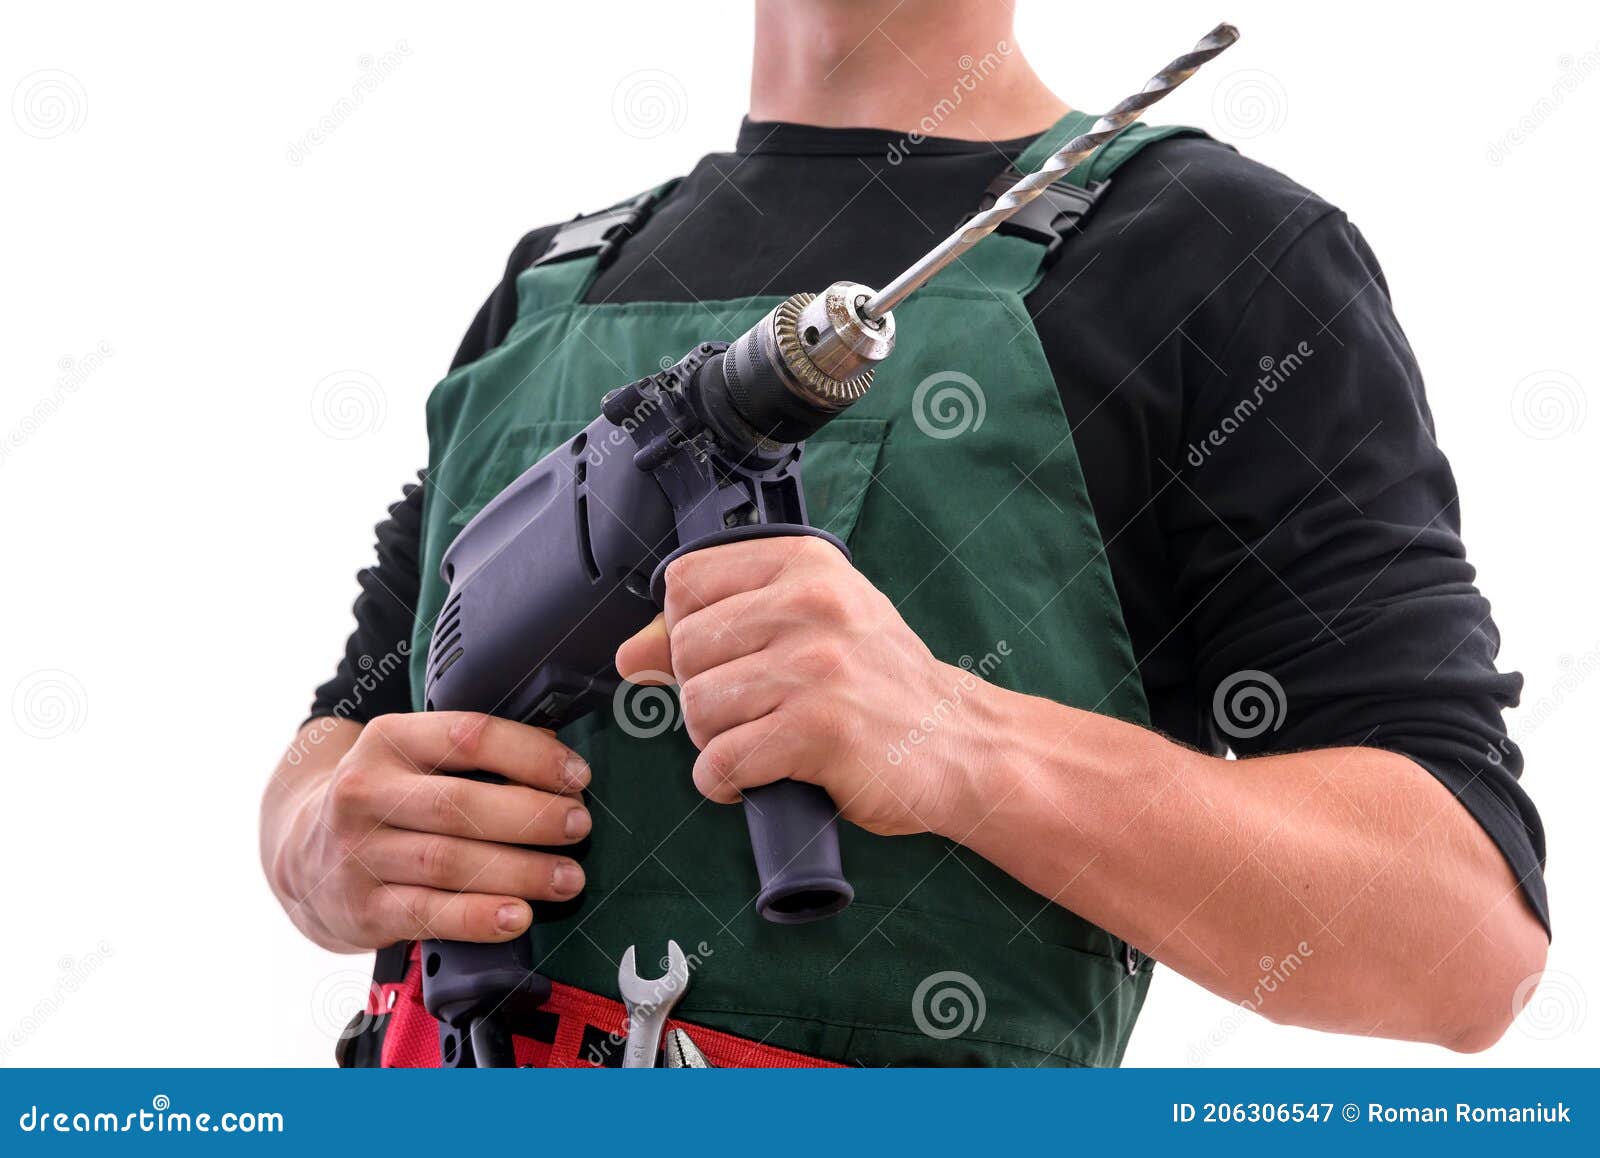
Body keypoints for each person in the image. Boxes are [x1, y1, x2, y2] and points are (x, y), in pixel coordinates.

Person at [260, 0, 1548, 1066]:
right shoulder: (546, 287)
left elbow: (1460, 940)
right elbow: (346, 724)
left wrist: (958, 737)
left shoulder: (1214, 255)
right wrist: (314, 844)